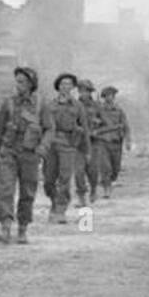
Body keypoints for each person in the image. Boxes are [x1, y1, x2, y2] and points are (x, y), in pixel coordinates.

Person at [0, 65, 44, 243]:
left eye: (22, 82)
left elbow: (50, 129)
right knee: (6, 190)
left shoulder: (41, 105)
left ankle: (23, 229)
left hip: (30, 155)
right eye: (17, 81)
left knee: (27, 193)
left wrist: (43, 149)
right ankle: (5, 228)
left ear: (31, 84)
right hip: (9, 153)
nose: (18, 85)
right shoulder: (8, 103)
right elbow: (0, 129)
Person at [39, 73, 90, 224]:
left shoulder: (78, 106)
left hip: (68, 144)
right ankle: (54, 202)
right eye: (62, 84)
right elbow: (42, 127)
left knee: (65, 178)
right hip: (51, 144)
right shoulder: (49, 105)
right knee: (48, 179)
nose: (65, 87)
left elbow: (85, 129)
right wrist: (40, 146)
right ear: (58, 87)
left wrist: (87, 150)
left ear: (73, 87)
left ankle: (60, 210)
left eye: (68, 84)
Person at [95, 85, 132, 195]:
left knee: (116, 168)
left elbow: (126, 126)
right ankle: (107, 187)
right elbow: (93, 123)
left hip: (116, 143)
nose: (109, 98)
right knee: (106, 167)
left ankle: (109, 181)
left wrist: (128, 141)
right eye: (107, 96)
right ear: (104, 97)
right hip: (103, 142)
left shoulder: (119, 110)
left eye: (111, 95)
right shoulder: (99, 110)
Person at [74, 79, 104, 205]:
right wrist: (79, 129)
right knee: (78, 172)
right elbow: (71, 122)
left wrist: (98, 129)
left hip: (94, 143)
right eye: (81, 90)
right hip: (79, 143)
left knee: (92, 171)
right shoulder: (74, 105)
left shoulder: (97, 106)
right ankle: (81, 195)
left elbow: (106, 123)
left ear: (90, 92)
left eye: (86, 91)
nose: (83, 93)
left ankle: (93, 190)